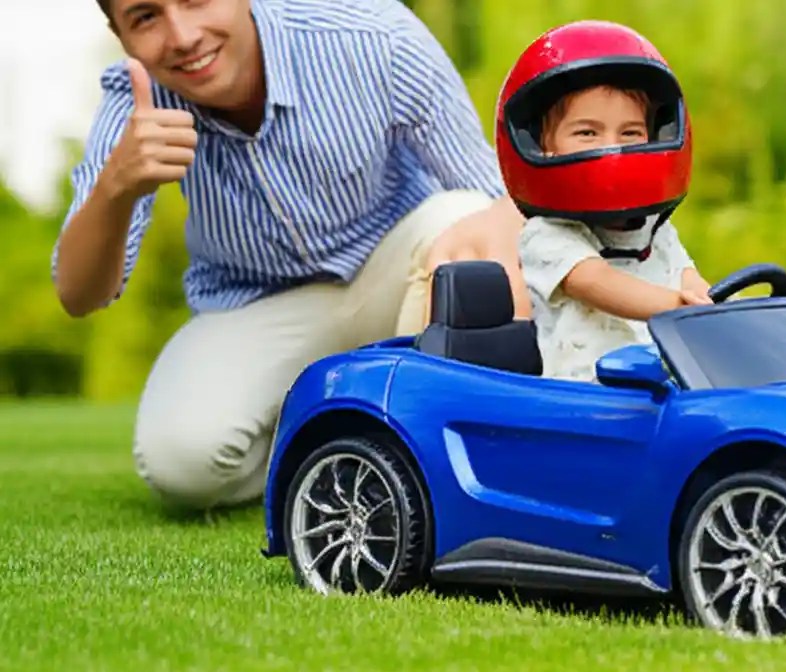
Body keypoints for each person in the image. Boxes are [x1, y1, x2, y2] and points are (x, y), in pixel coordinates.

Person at [53, 0, 530, 510]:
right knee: (181, 461)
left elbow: (502, 207)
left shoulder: (374, 37)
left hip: (400, 278)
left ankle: (422, 458)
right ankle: (328, 452)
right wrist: (115, 189)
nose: (183, 34)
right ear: (120, 34)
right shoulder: (137, 101)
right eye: (146, 16)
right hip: (259, 306)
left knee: (459, 215)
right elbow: (79, 294)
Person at [485, 20, 712, 383]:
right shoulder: (546, 237)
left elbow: (688, 278)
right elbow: (598, 282)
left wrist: (711, 307)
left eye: (631, 133)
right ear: (544, 147)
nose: (612, 147)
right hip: (586, 398)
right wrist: (678, 309)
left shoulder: (656, 231)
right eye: (588, 132)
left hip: (657, 391)